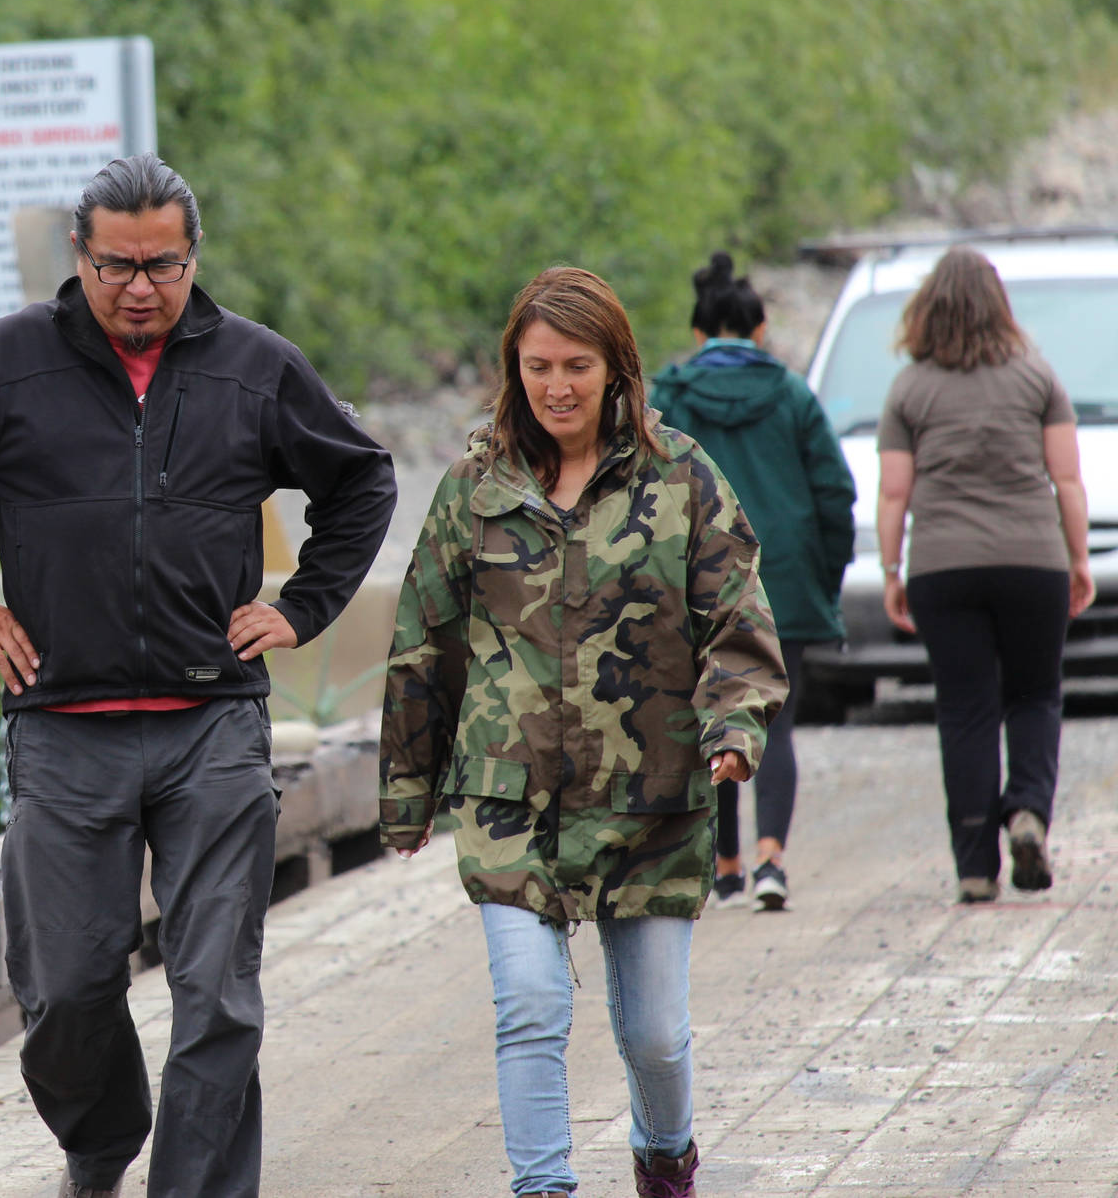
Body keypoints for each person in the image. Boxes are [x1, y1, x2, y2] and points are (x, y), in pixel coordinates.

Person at [0, 152, 396, 1198]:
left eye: (162, 265)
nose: (139, 288)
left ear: (192, 258)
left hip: (212, 727)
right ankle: (99, 1147)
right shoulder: (10, 363)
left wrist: (298, 610)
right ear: (78, 254)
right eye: (116, 266)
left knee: (217, 998)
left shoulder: (254, 367)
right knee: (63, 992)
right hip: (63, 727)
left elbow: (361, 477)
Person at [380, 266, 785, 1198]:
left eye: (576, 365)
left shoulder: (681, 477)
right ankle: (543, 1185)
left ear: (617, 370)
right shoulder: (473, 489)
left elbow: (739, 619)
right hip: (510, 799)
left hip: (652, 800)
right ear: (511, 369)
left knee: (654, 1034)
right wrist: (408, 791)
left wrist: (733, 726)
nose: (556, 386)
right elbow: (422, 645)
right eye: (536, 366)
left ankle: (664, 1150)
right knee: (528, 1005)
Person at [876, 245, 1095, 904]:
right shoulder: (1037, 375)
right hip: (1032, 559)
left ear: (929, 310)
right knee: (1033, 694)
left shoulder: (909, 386)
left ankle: (975, 864)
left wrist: (893, 569)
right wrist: (1079, 557)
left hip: (944, 565)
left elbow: (893, 493)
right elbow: (1066, 479)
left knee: (964, 708)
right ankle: (1027, 808)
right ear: (1000, 307)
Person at [651, 252, 855, 911]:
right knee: (777, 721)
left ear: (699, 333)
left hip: (690, 583)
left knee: (706, 718)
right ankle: (771, 858)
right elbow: (833, 491)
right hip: (781, 579)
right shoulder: (793, 394)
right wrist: (825, 576)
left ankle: (726, 863)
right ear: (761, 329)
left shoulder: (672, 396)